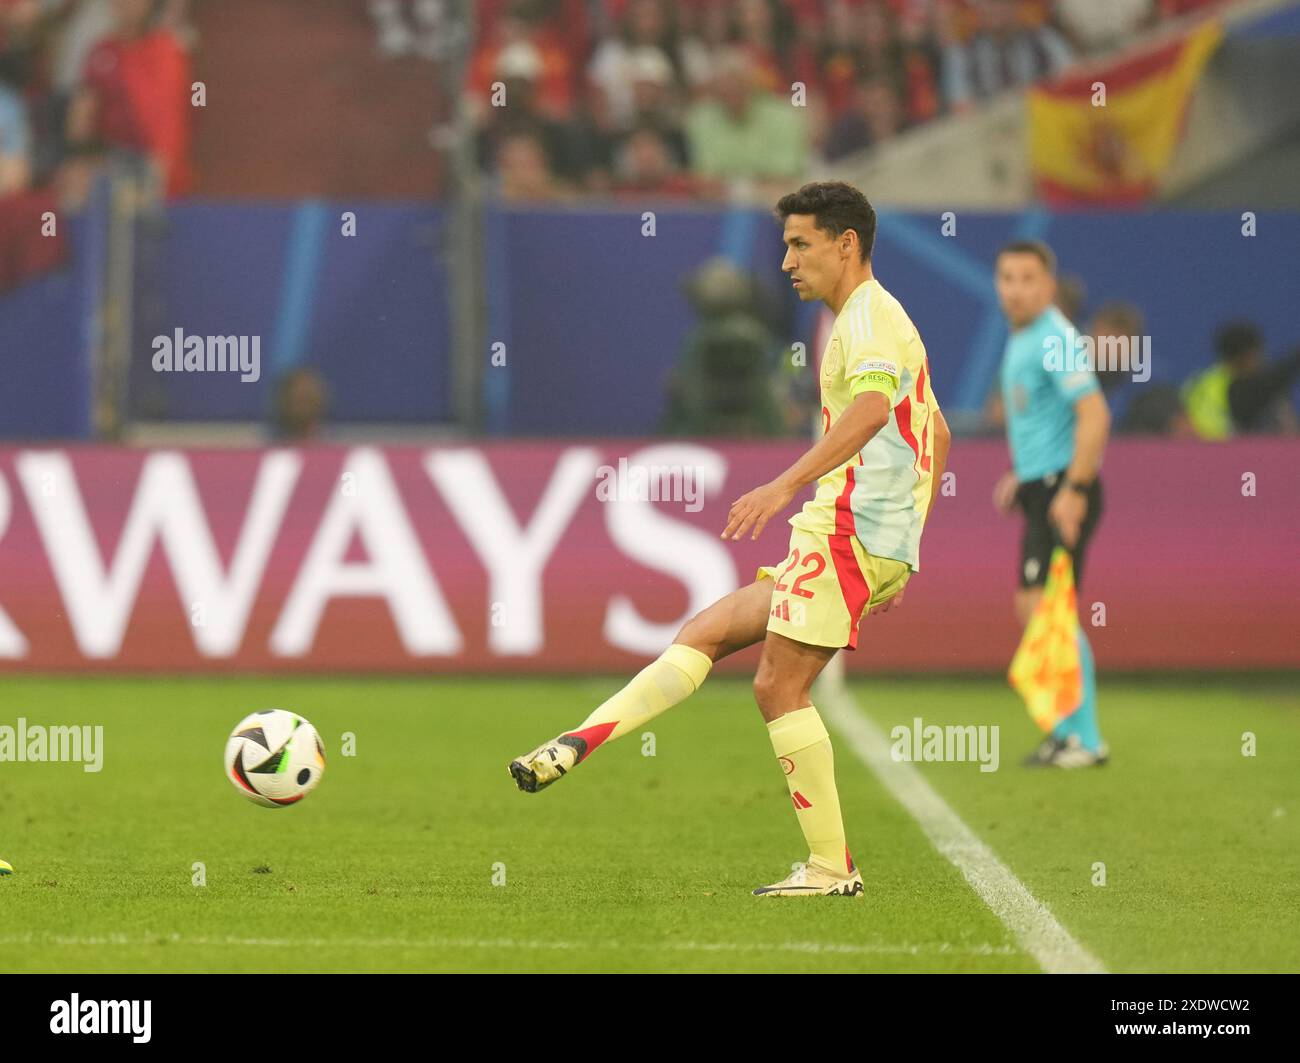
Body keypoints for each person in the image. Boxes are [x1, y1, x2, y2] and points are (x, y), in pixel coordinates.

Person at [508, 181, 951, 898]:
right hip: (857, 531)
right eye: (784, 245)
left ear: (846, 244)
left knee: (778, 685)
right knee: (705, 630)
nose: (785, 262)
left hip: (849, 527)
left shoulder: (868, 319)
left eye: (800, 244)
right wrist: (906, 546)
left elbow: (871, 411)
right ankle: (576, 742)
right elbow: (936, 429)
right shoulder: (869, 318)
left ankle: (832, 868)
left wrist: (786, 487)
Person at [991, 240, 1110, 768]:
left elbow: (1094, 415)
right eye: (1007, 278)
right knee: (1035, 609)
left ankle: (1084, 739)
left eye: (1027, 279)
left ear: (1048, 287)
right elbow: (1045, 419)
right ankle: (1067, 733)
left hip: (1066, 489)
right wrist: (1025, 475)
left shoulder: (1055, 339)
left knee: (1050, 611)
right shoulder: (1025, 338)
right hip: (1044, 485)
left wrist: (1074, 489)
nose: (1015, 289)